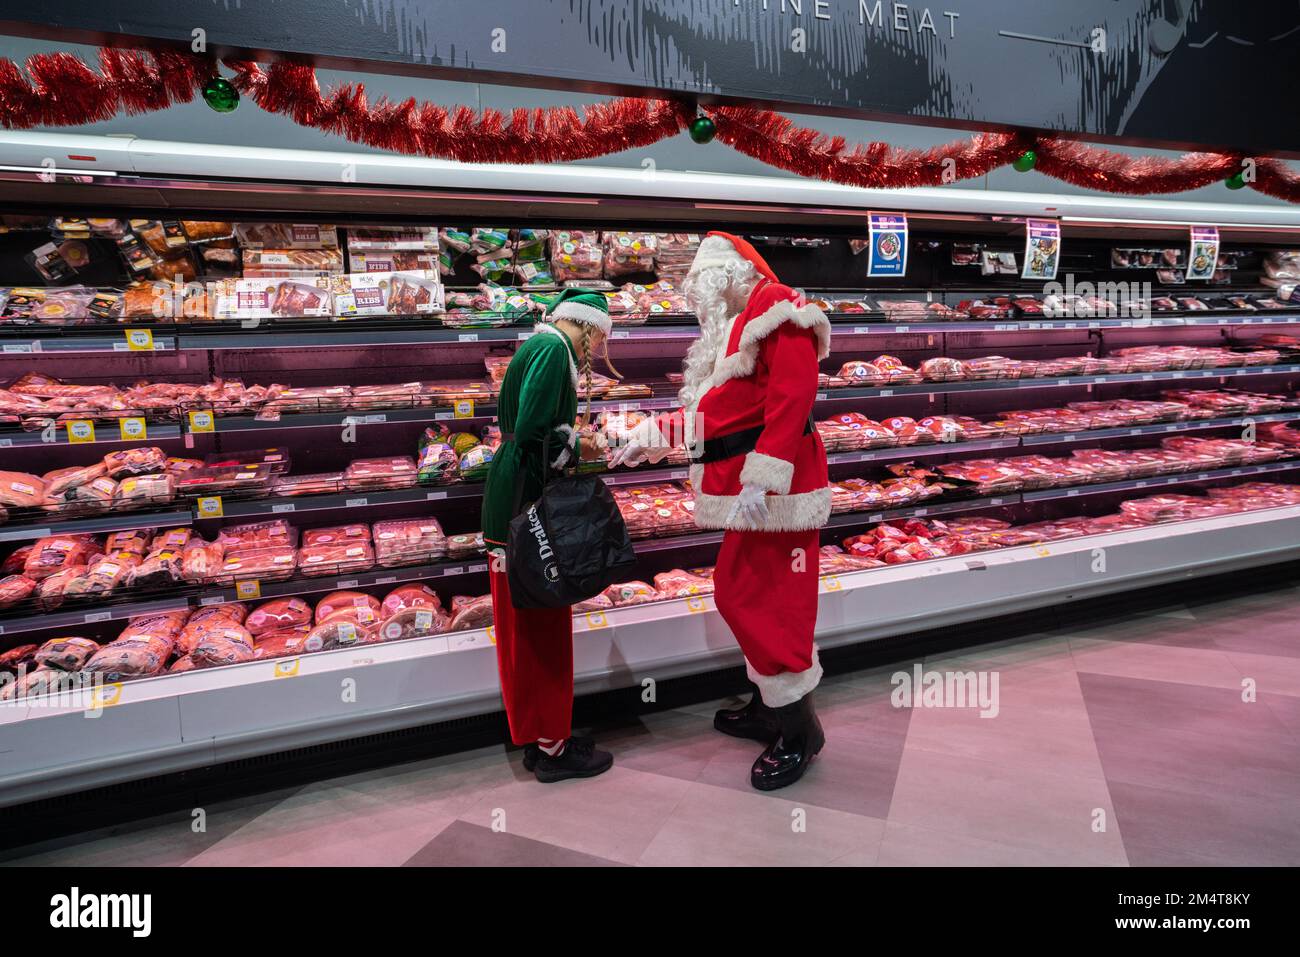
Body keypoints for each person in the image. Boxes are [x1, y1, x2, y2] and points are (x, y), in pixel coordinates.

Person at [609, 232, 832, 790]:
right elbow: (724, 413)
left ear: (728, 275)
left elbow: (793, 396)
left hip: (778, 499)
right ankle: (770, 704)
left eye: (703, 284)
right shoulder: (736, 325)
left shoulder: (780, 310)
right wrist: (653, 434)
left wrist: (765, 475)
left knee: (774, 605)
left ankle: (800, 730)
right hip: (751, 500)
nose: (698, 297)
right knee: (741, 593)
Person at [481, 288, 616, 783]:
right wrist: (577, 446)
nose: (597, 349)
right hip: (527, 497)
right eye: (598, 337)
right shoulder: (555, 351)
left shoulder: (540, 346)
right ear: (588, 326)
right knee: (542, 628)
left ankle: (541, 737)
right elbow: (539, 428)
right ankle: (553, 750)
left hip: (511, 493)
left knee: (524, 627)